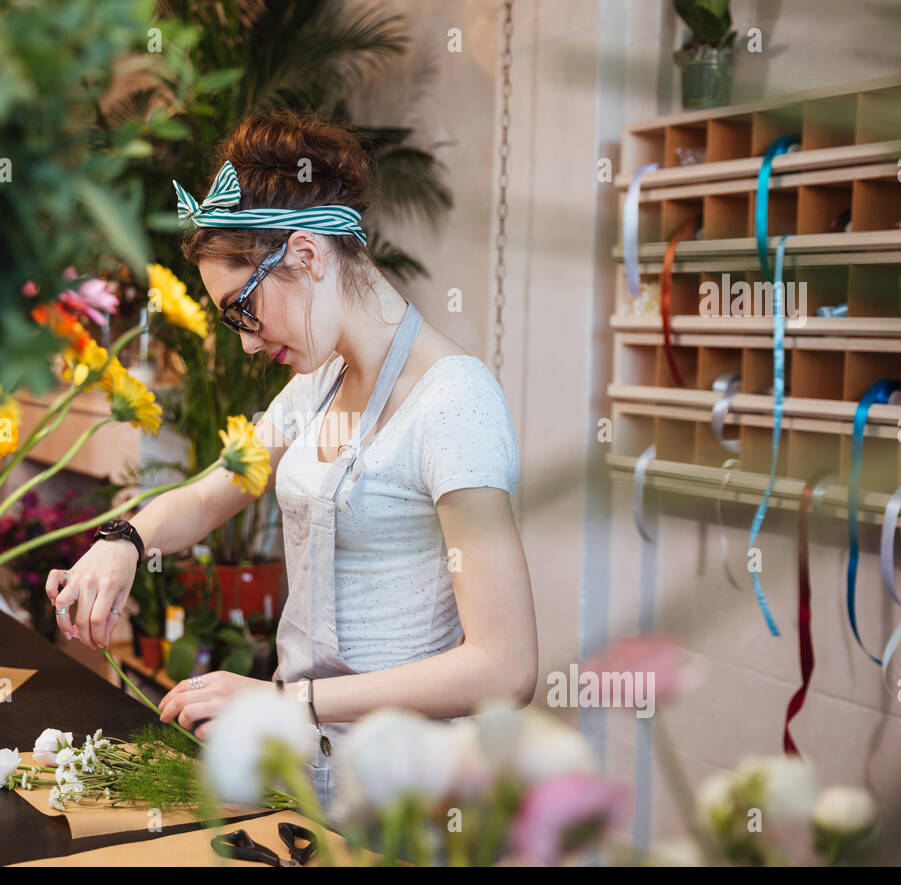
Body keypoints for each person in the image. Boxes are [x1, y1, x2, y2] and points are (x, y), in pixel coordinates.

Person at [47, 109, 538, 819]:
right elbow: (215, 491)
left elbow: (506, 666)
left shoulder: (454, 404)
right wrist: (124, 543)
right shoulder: (318, 385)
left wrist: (290, 701)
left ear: (305, 256)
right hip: (306, 768)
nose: (246, 344)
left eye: (243, 310)